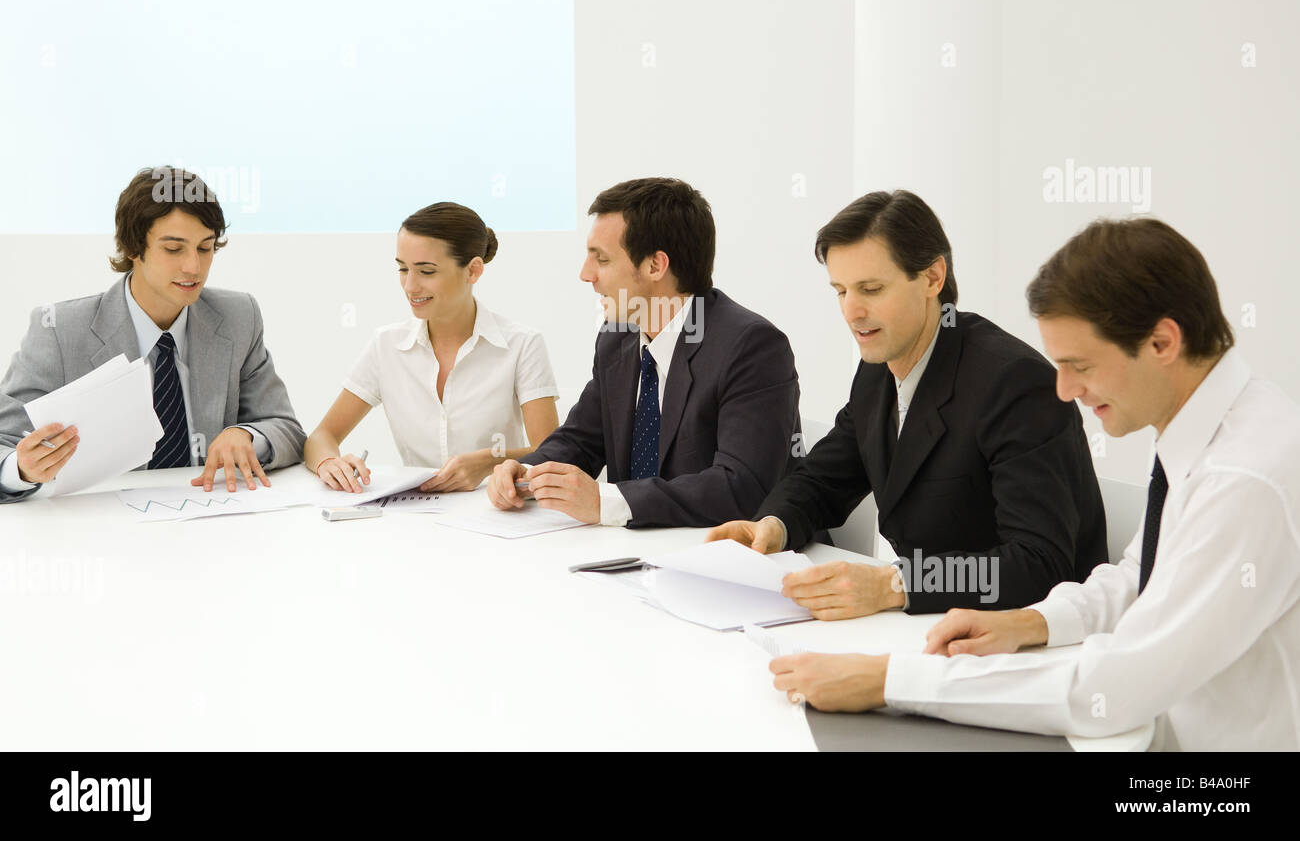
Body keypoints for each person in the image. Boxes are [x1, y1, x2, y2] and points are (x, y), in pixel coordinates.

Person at [768, 217, 1300, 750]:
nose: (1065, 390)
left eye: (1079, 365)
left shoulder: (1242, 480)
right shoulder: (1207, 426)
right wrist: (1032, 622)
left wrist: (888, 681)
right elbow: (1142, 577)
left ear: (1162, 341)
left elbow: (1114, 687)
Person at [709, 190, 1107, 615]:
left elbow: (1039, 564)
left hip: (1030, 642)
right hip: (933, 631)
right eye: (840, 291)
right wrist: (773, 526)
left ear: (933, 278)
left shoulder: (1015, 384)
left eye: (872, 289)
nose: (851, 311)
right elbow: (824, 480)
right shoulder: (880, 368)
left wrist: (894, 584)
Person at [485, 177, 800, 528]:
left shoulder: (750, 346)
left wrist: (606, 502)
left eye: (601, 259)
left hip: (735, 558)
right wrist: (528, 472)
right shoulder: (617, 337)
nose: (585, 274)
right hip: (640, 555)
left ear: (655, 266)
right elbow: (582, 439)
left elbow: (740, 487)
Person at [0, 166, 306, 502]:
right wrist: (20, 469)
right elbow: (4, 439)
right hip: (102, 529)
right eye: (174, 249)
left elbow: (287, 429)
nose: (193, 267)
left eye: (205, 248)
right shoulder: (59, 330)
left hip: (212, 523)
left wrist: (246, 435)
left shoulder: (238, 317)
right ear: (133, 248)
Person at [304, 202, 559, 493]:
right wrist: (329, 463)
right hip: (416, 518)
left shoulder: (522, 344)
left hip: (497, 511)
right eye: (403, 269)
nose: (410, 286)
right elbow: (321, 436)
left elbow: (550, 451)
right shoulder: (386, 345)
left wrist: (489, 462)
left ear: (473, 270)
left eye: (426, 271)